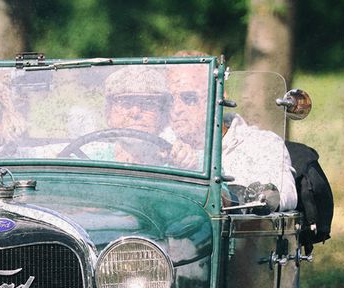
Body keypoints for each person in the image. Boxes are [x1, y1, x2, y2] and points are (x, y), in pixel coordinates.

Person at [166, 55, 297, 210]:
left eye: (189, 98)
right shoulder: (159, 145)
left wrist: (233, 198)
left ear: (219, 97)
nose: (176, 109)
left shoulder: (261, 144)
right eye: (168, 100)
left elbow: (285, 195)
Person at [80, 67, 172, 165]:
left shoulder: (176, 167)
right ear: (109, 114)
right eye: (125, 103)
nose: (135, 113)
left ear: (163, 116)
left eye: (147, 103)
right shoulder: (86, 160)